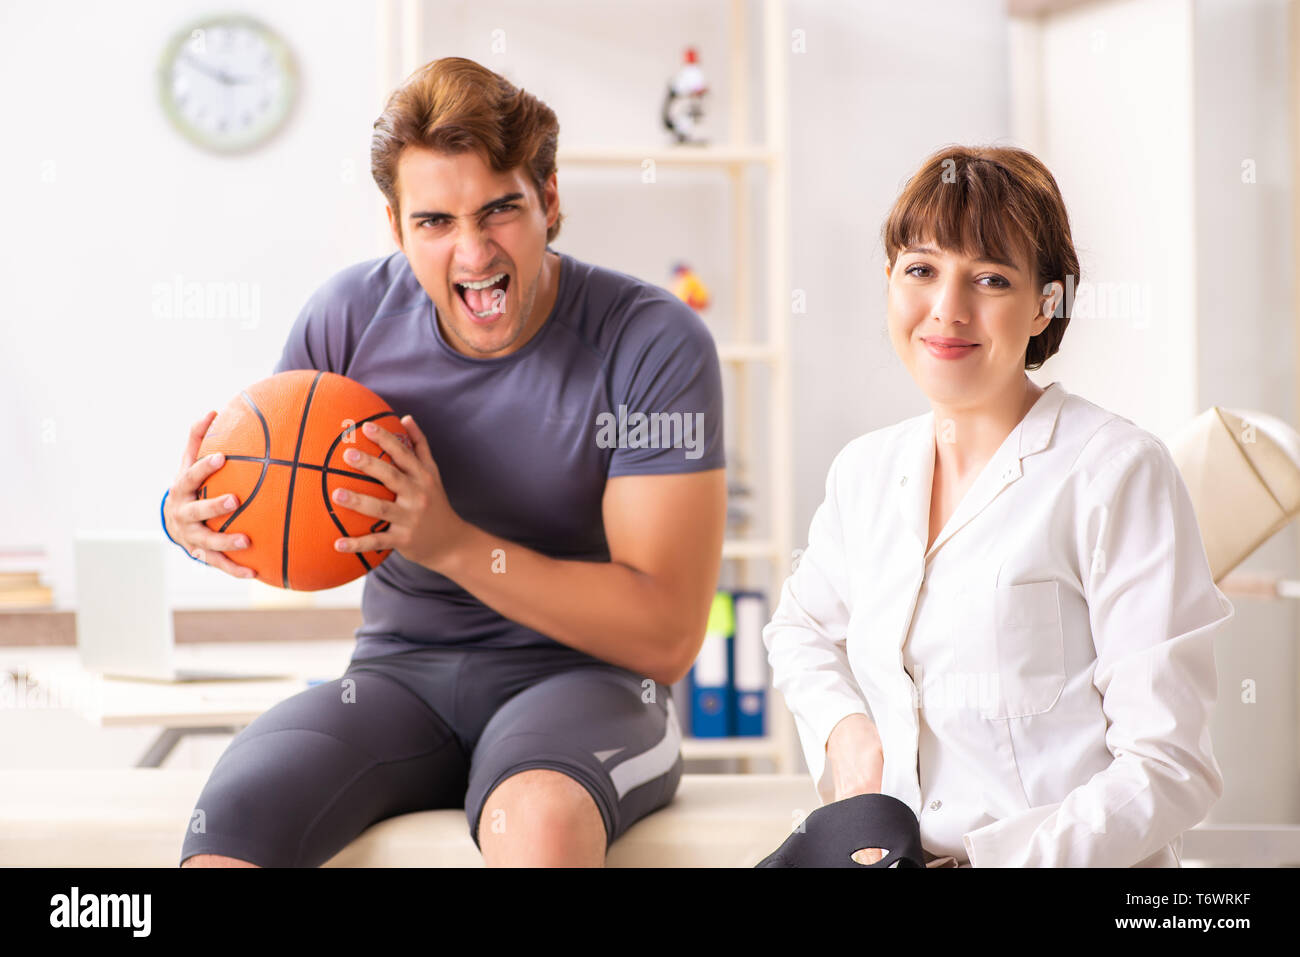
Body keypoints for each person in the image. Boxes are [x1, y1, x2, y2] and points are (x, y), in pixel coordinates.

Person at [161, 57, 727, 867]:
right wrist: (193, 520)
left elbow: (666, 635)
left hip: (592, 688)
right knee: (236, 818)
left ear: (551, 199)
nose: (472, 252)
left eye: (500, 209)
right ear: (395, 226)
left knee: (535, 823)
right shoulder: (349, 317)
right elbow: (279, 506)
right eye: (434, 222)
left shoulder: (651, 341)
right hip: (395, 681)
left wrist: (452, 543)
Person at [762, 144, 1233, 868]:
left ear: (1047, 303)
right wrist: (847, 733)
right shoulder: (865, 471)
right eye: (921, 270)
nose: (947, 310)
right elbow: (799, 628)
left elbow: (1171, 765)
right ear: (889, 280)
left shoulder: (1115, 473)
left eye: (990, 278)